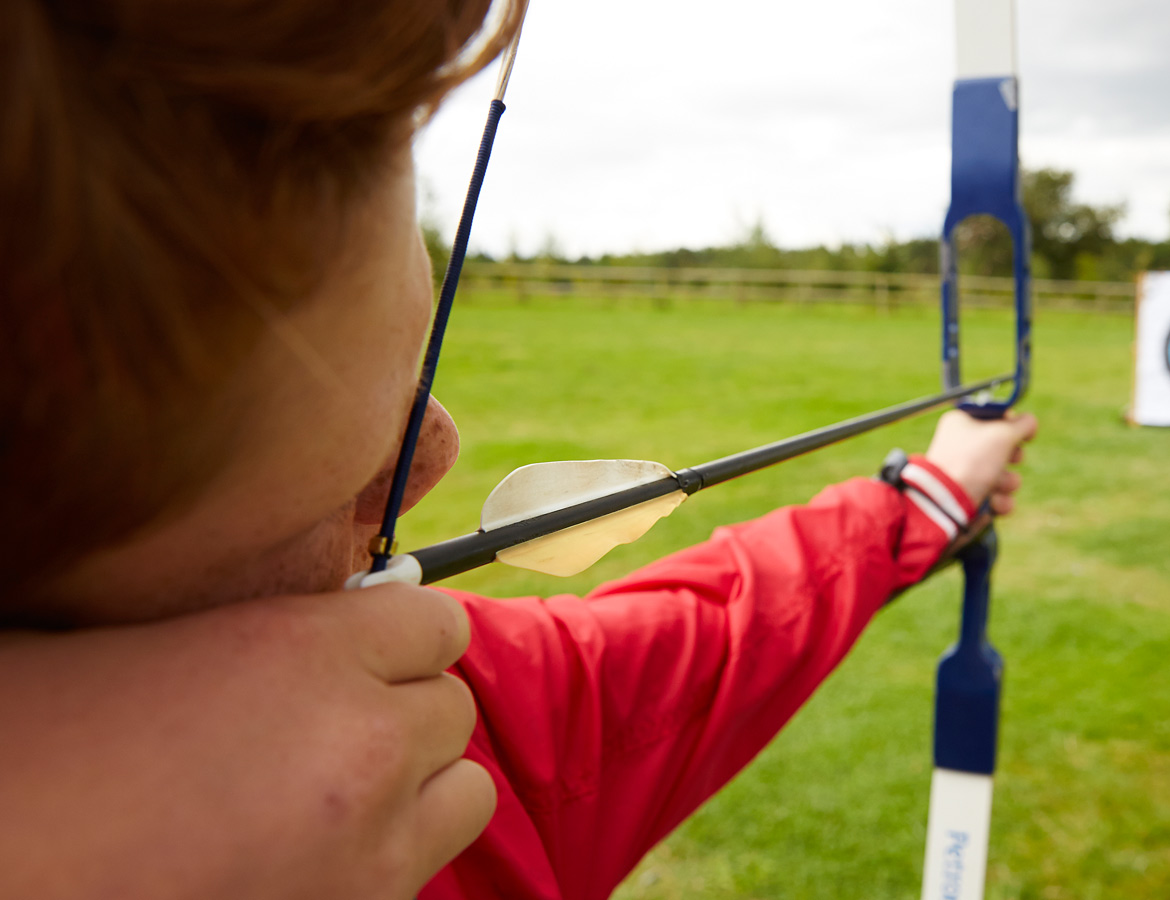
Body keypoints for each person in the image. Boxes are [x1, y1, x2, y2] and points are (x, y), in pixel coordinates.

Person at [0, 1, 1038, 898]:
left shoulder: (399, 732)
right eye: (355, 475)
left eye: (416, 383)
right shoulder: (365, 772)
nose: (435, 452)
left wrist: (929, 498)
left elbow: (690, 648)